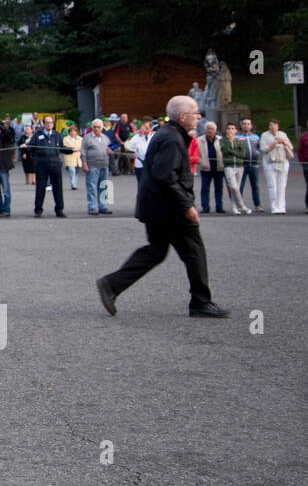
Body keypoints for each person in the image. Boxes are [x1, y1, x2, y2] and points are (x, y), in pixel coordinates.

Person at [96, 95, 231, 319]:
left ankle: (111, 285)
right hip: (170, 208)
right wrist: (187, 205)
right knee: (194, 251)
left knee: (155, 251)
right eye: (195, 113)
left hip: (156, 207)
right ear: (182, 116)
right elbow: (166, 176)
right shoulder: (171, 139)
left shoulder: (169, 135)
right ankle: (201, 301)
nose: (198, 118)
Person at [29, 115, 69, 217]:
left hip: (55, 164)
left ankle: (59, 210)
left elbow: (62, 148)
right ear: (43, 123)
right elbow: (31, 148)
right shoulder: (38, 135)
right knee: (40, 188)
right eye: (47, 122)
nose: (49, 124)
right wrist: (34, 158)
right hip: (42, 165)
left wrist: (71, 150)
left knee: (58, 188)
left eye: (51, 122)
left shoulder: (57, 135)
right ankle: (38, 210)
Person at [259, 119, 294, 214]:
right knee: (272, 185)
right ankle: (274, 207)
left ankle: (282, 207)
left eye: (274, 125)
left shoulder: (283, 134)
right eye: (271, 125)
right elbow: (263, 149)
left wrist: (284, 142)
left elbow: (291, 147)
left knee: (282, 186)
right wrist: (273, 143)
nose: (272, 127)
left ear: (278, 126)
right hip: (269, 162)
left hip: (283, 161)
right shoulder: (264, 135)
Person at [81, 119, 113, 214]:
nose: (96, 129)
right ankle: (91, 207)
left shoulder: (106, 138)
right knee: (91, 186)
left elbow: (110, 148)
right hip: (92, 165)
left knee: (103, 186)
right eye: (94, 127)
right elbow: (83, 151)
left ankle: (102, 206)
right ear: (91, 128)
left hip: (104, 165)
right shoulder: (87, 138)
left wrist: (110, 152)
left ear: (102, 128)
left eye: (98, 127)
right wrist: (84, 163)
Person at [219, 123, 252, 214]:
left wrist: (233, 152)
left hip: (239, 166)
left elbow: (242, 154)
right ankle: (242, 205)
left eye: (232, 128)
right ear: (226, 130)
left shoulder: (239, 141)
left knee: (236, 187)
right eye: (228, 128)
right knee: (234, 187)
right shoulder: (223, 141)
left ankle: (235, 208)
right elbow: (225, 150)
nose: (230, 130)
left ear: (236, 131)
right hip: (229, 167)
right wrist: (232, 146)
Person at [194, 121, 226, 214]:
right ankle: (205, 207)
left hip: (218, 167)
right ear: (205, 130)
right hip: (205, 167)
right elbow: (196, 153)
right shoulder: (199, 140)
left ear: (215, 130)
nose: (210, 131)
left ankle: (219, 207)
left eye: (212, 129)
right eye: (208, 129)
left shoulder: (220, 139)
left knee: (219, 188)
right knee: (205, 189)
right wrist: (201, 162)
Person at [234, 118, 263, 212]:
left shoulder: (256, 137)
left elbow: (259, 148)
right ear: (241, 125)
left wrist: (257, 153)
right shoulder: (237, 137)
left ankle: (257, 205)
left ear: (251, 126)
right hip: (242, 165)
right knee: (240, 186)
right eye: (244, 124)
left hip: (254, 164)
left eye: (248, 124)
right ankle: (239, 205)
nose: (246, 125)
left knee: (255, 186)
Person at [126, 120, 153, 187]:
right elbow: (130, 145)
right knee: (141, 183)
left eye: (147, 128)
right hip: (140, 162)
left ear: (150, 128)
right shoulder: (137, 137)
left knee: (151, 183)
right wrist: (137, 136)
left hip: (151, 163)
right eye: (144, 128)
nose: (145, 130)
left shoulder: (154, 136)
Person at [63, 124, 82, 190]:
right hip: (70, 157)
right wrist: (72, 149)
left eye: (74, 131)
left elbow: (82, 147)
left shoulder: (80, 139)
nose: (73, 133)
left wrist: (78, 149)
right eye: (71, 131)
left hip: (78, 157)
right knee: (72, 170)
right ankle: (73, 184)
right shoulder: (66, 139)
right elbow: (65, 147)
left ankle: (74, 183)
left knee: (76, 171)